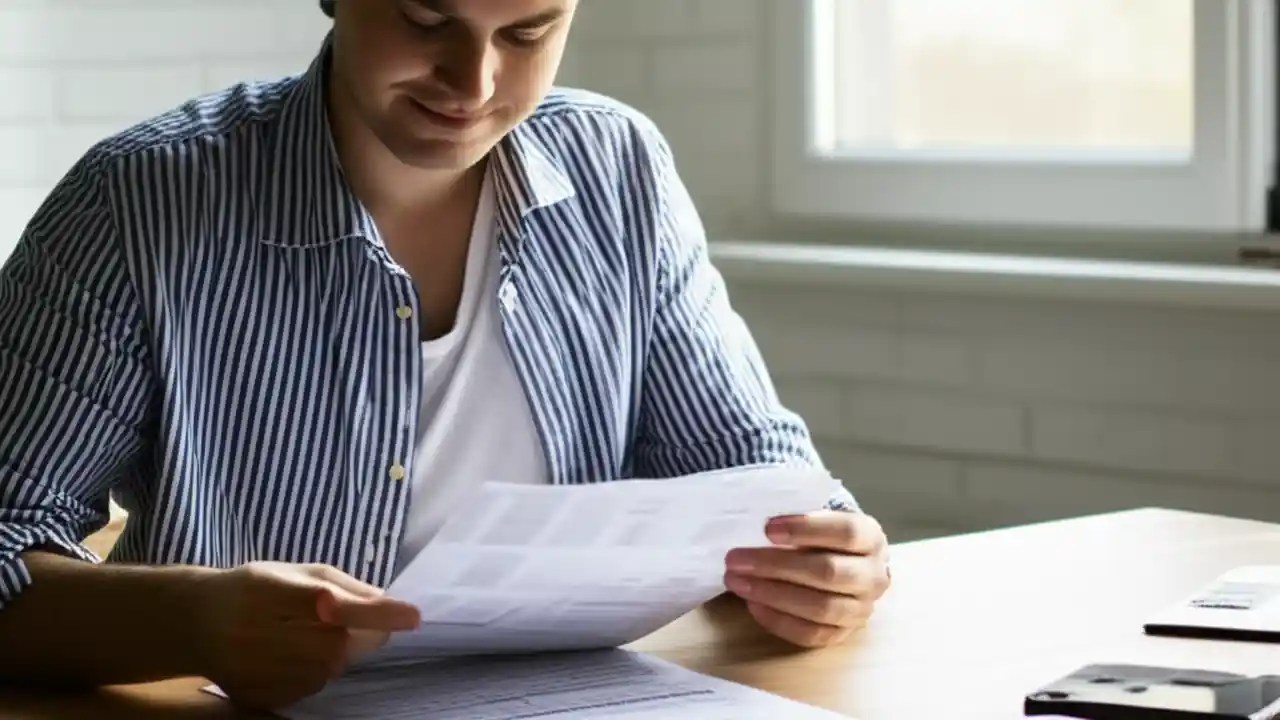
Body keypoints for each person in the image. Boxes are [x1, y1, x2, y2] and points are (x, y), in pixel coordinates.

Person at [0, 0, 890, 711]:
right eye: (427, 22)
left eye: (529, 31)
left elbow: (755, 482)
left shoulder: (620, 171)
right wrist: (193, 620)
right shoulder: (138, 204)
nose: (474, 81)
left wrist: (829, 563)